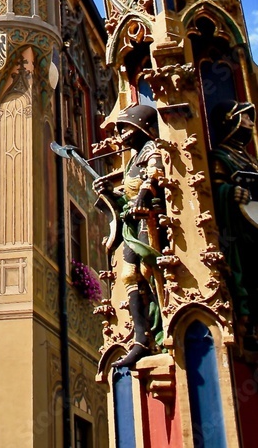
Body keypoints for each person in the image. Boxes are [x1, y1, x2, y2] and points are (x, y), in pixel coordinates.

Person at [93, 103, 166, 367]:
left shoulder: (150, 149)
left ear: (141, 126)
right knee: (128, 275)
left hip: (148, 219)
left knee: (149, 268)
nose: (121, 134)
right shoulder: (132, 159)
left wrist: (144, 197)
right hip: (132, 223)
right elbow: (126, 196)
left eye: (125, 128)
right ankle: (140, 338)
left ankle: (163, 322)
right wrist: (109, 193)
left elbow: (155, 174)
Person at [209, 100, 258, 337]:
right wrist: (230, 193)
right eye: (245, 117)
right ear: (231, 121)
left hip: (253, 226)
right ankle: (245, 319)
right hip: (237, 229)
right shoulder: (220, 155)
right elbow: (215, 191)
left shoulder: (250, 159)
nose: (250, 122)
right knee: (245, 268)